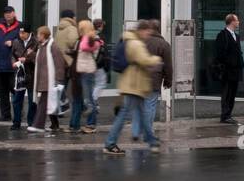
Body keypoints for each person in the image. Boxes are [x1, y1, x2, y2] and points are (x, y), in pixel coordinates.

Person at [103, 21, 163, 155]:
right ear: (142, 30)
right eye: (148, 32)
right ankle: (110, 143)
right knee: (124, 115)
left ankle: (151, 140)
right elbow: (144, 60)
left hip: (133, 84)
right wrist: (157, 59)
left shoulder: (129, 40)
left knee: (141, 113)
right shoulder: (136, 43)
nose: (149, 35)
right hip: (134, 85)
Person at [138, 21, 171, 143]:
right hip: (154, 80)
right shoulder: (163, 44)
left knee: (143, 105)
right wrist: (168, 80)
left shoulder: (141, 42)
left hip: (139, 78)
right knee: (150, 106)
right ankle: (148, 134)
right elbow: (168, 65)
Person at [69, 18, 103, 134]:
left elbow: (85, 48)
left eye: (80, 28)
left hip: (87, 70)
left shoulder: (90, 38)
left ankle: (91, 123)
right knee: (85, 98)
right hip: (81, 70)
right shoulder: (86, 38)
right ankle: (84, 122)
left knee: (89, 99)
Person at [30, 25, 66, 134]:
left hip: (49, 81)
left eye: (38, 34)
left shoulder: (52, 46)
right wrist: (32, 55)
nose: (37, 37)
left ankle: (38, 125)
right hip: (43, 80)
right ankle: (55, 125)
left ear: (43, 35)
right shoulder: (42, 46)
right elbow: (40, 60)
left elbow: (59, 63)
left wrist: (58, 79)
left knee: (43, 103)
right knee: (49, 103)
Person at [212, 13, 244, 125]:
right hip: (227, 70)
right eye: (237, 20)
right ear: (232, 22)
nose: (238, 22)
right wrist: (228, 62)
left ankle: (229, 114)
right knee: (227, 93)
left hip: (235, 70)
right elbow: (219, 53)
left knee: (232, 93)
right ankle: (225, 115)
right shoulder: (222, 35)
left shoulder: (236, 36)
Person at [55, 9, 81, 122]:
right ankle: (80, 107)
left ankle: (58, 108)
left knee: (62, 85)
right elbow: (73, 43)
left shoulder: (59, 29)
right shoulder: (71, 28)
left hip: (60, 60)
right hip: (70, 61)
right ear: (72, 17)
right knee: (76, 86)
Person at [9, 25, 36, 130]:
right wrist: (14, 62)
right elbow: (12, 55)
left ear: (29, 33)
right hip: (19, 73)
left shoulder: (35, 42)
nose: (21, 35)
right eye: (20, 33)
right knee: (16, 99)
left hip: (31, 73)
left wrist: (27, 59)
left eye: (23, 33)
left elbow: (38, 57)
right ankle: (16, 122)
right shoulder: (16, 42)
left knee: (31, 100)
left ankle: (31, 122)